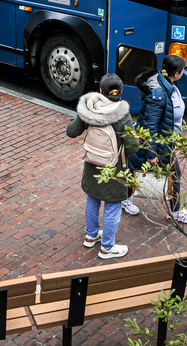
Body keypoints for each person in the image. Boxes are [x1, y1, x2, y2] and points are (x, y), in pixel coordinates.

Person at [66, 74, 140, 259]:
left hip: (92, 164)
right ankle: (107, 247)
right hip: (114, 167)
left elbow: (71, 131)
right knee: (112, 205)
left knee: (92, 199)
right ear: (120, 92)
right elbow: (133, 147)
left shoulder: (89, 108)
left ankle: (90, 236)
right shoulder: (122, 114)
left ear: (100, 91)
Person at [133, 55, 187, 224]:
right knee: (174, 173)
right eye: (182, 70)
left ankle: (124, 198)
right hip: (160, 143)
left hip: (165, 139)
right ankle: (175, 211)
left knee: (135, 168)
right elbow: (150, 126)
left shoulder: (166, 83)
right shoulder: (158, 94)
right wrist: (151, 154)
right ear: (176, 74)